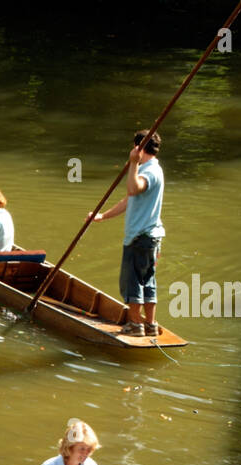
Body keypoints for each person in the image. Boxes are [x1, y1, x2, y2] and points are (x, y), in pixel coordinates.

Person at [89, 130, 165, 337]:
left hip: (140, 237)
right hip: (151, 237)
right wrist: (103, 216)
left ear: (139, 148)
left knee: (133, 281)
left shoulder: (148, 171)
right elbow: (128, 200)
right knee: (147, 281)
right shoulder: (152, 168)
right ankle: (149, 324)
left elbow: (133, 189)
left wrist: (133, 163)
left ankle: (135, 325)